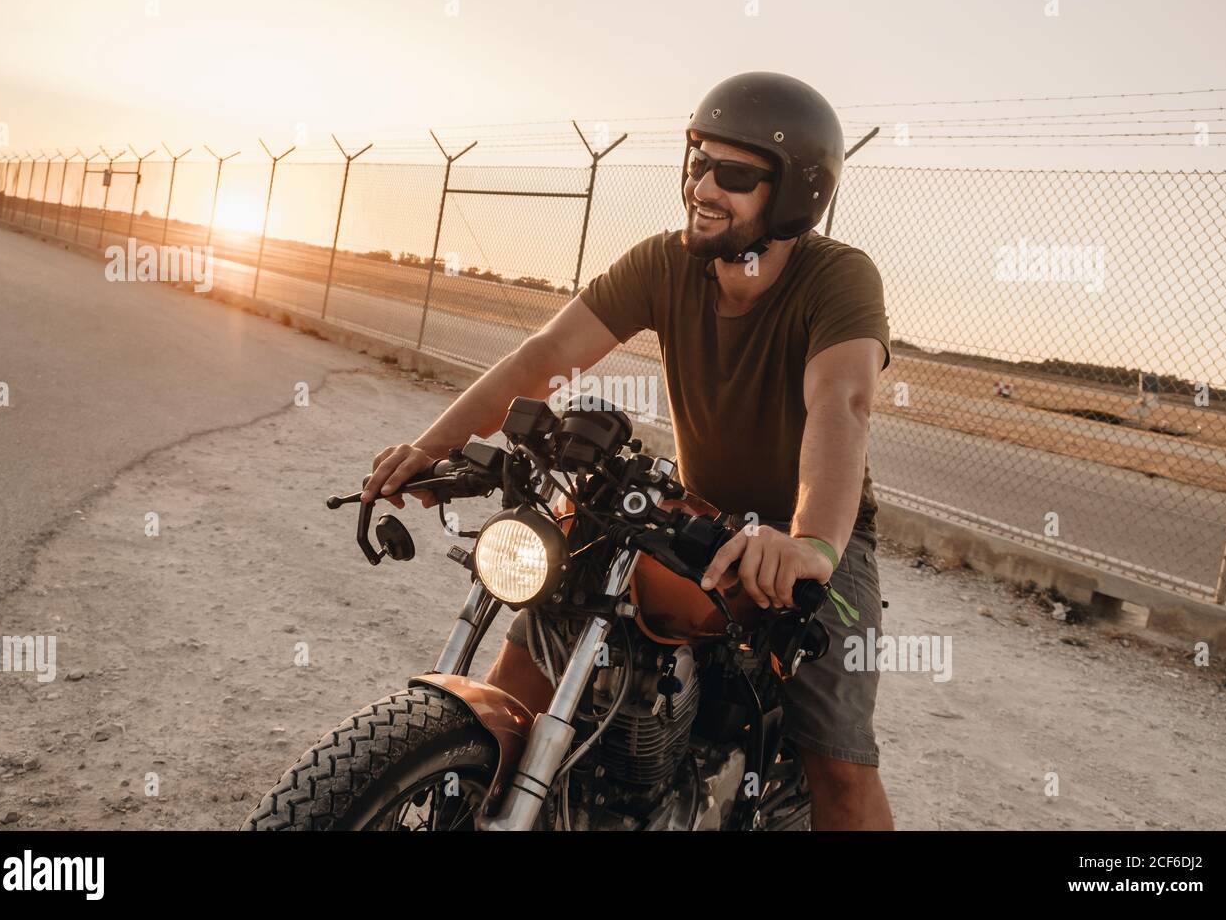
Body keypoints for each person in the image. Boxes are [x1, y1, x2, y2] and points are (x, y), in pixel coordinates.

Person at [364, 72, 893, 830]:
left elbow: (842, 401)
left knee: (840, 767)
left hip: (813, 539)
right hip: (698, 511)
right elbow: (541, 357)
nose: (703, 187)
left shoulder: (836, 277)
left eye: (733, 175)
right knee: (527, 665)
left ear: (795, 194)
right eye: (695, 163)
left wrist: (811, 543)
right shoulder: (665, 262)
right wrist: (430, 448)